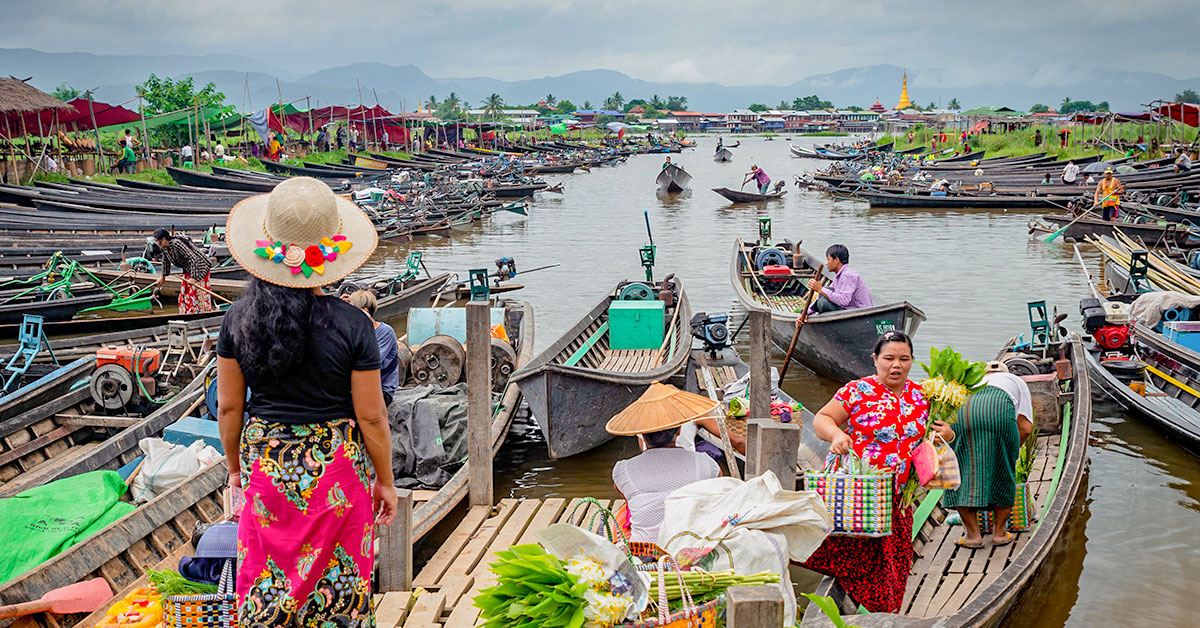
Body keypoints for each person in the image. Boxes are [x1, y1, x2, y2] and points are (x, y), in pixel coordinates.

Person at [216, 177, 392, 626]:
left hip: (267, 471)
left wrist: (235, 471)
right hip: (337, 473)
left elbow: (230, 408)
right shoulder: (355, 325)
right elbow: (371, 417)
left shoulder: (237, 319)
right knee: (340, 596)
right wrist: (386, 482)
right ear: (330, 251)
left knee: (266, 591)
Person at [800, 331, 954, 612]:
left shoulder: (922, 396)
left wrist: (947, 434)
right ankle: (880, 608)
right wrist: (835, 436)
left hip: (900, 498)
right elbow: (822, 419)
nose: (896, 365)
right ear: (875, 359)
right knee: (862, 557)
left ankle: (884, 611)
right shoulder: (857, 391)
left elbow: (933, 438)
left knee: (895, 567)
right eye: (889, 358)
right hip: (861, 496)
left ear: (911, 361)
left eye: (904, 359)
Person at [944, 362, 1034, 549]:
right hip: (997, 406)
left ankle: (972, 535)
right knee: (1003, 472)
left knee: (961, 471)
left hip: (963, 410)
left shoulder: (970, 382)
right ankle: (999, 533)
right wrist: (1011, 452)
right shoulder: (1016, 381)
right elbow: (1025, 428)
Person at [611, 423, 720, 544]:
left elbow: (624, 495)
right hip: (693, 548)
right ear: (679, 431)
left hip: (645, 552)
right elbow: (720, 492)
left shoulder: (622, 469)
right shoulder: (704, 462)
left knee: (624, 515)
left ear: (641, 434)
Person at [345, 290, 399, 407]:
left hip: (380, 390)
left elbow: (370, 362)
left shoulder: (385, 332)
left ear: (364, 312)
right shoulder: (355, 331)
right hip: (358, 387)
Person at [153, 228, 215, 314]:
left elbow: (194, 259)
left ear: (163, 239)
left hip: (200, 267)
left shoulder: (177, 244)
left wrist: (193, 278)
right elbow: (165, 262)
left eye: (156, 240)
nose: (156, 243)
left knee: (196, 294)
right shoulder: (164, 247)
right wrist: (163, 277)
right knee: (184, 293)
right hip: (188, 269)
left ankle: (202, 313)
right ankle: (185, 313)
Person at [806, 244, 872, 315]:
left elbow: (844, 301)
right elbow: (827, 292)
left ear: (837, 260)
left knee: (823, 302)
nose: (826, 263)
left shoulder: (848, 275)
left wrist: (820, 289)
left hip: (859, 312)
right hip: (848, 308)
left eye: (828, 260)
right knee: (826, 291)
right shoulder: (839, 275)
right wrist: (806, 312)